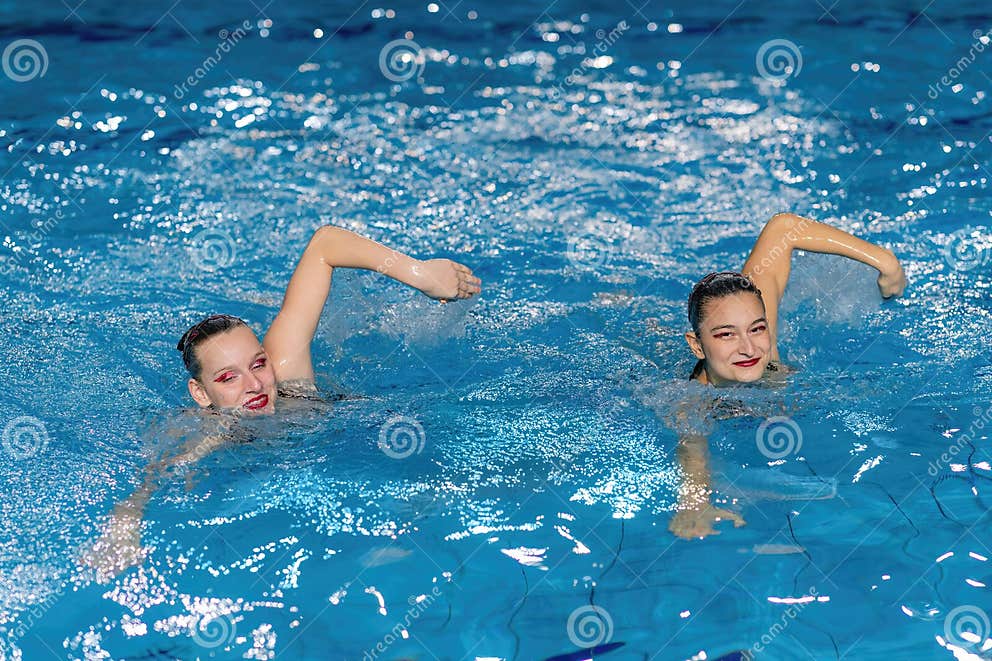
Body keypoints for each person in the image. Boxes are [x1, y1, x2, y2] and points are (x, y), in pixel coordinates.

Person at [83, 225, 481, 579]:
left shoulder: (287, 376)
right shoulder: (210, 430)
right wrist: (123, 530)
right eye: (227, 378)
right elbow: (153, 480)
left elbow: (325, 244)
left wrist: (420, 273)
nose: (255, 384)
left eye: (258, 364)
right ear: (201, 394)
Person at [669, 212, 906, 539]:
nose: (748, 348)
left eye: (757, 328)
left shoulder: (761, 341)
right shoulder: (692, 401)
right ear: (697, 346)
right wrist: (694, 505)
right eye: (726, 335)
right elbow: (692, 450)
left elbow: (783, 227)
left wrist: (887, 262)